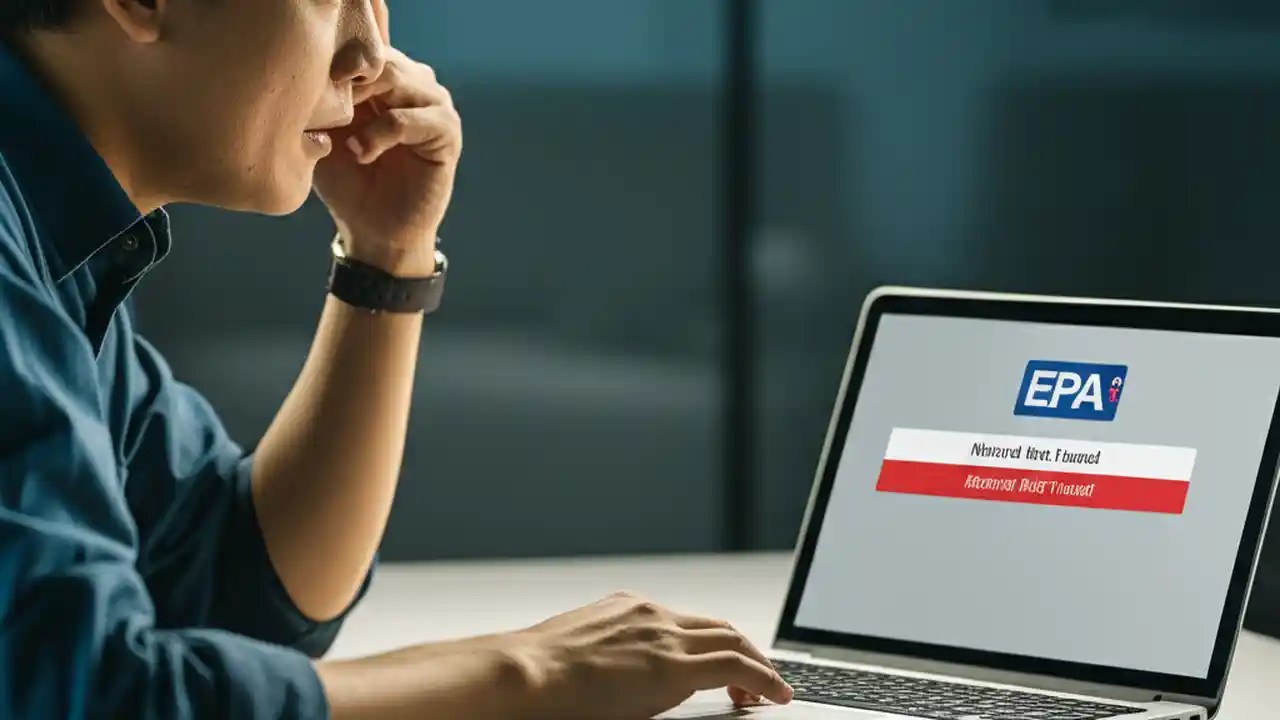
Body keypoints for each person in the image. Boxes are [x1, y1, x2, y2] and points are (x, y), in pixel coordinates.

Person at [0, 0, 795, 718]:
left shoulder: (57, 242)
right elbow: (88, 693)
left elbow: (242, 590)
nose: (370, 53)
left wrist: (387, 252)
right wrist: (528, 674)